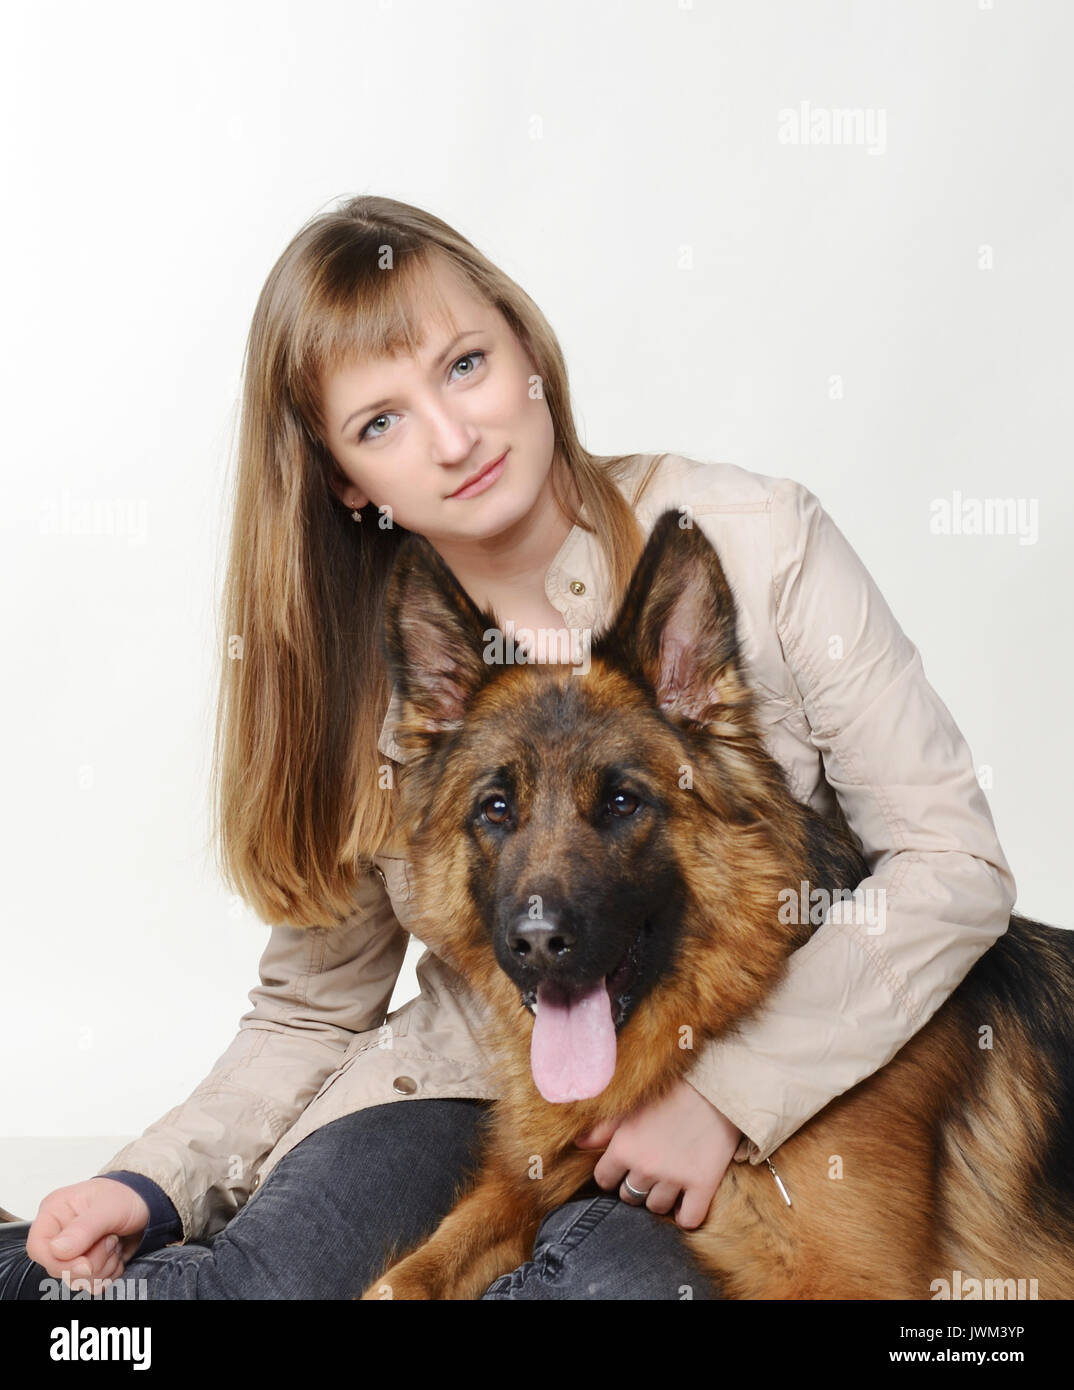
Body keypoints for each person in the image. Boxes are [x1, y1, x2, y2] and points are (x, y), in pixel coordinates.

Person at [0, 195, 1016, 1301]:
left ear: (527, 346)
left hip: (737, 1050)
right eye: (379, 422)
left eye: (465, 364)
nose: (453, 437)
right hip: (470, 1078)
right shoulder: (369, 684)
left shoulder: (760, 539)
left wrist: (733, 1091)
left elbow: (951, 864)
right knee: (219, 1296)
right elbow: (311, 1008)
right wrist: (151, 1182)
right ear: (345, 477)